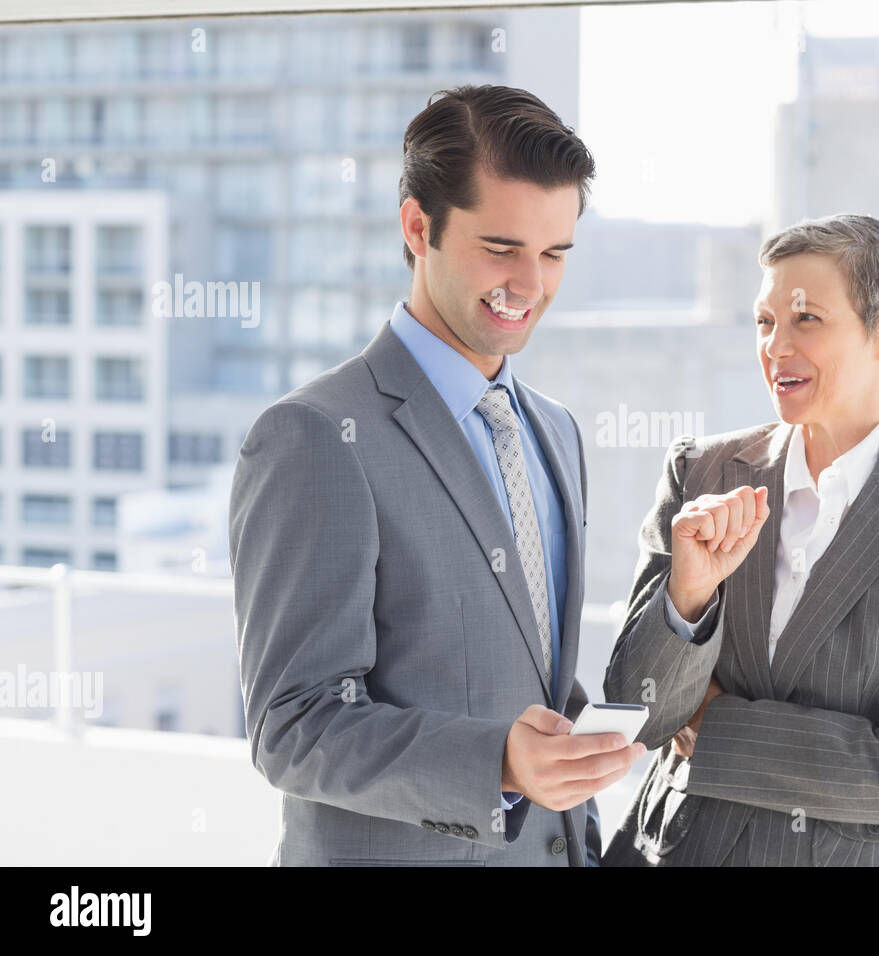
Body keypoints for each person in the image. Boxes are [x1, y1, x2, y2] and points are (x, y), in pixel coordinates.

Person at [229, 84, 643, 867]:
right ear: (419, 227)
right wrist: (498, 763)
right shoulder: (315, 437)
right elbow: (294, 726)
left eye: (554, 253)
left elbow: (524, 673)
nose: (530, 284)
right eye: (501, 248)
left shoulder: (554, 431)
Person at [602, 213, 879, 866]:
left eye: (806, 320)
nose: (774, 347)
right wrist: (686, 597)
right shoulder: (700, 473)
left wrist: (717, 727)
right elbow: (639, 712)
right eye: (765, 322)